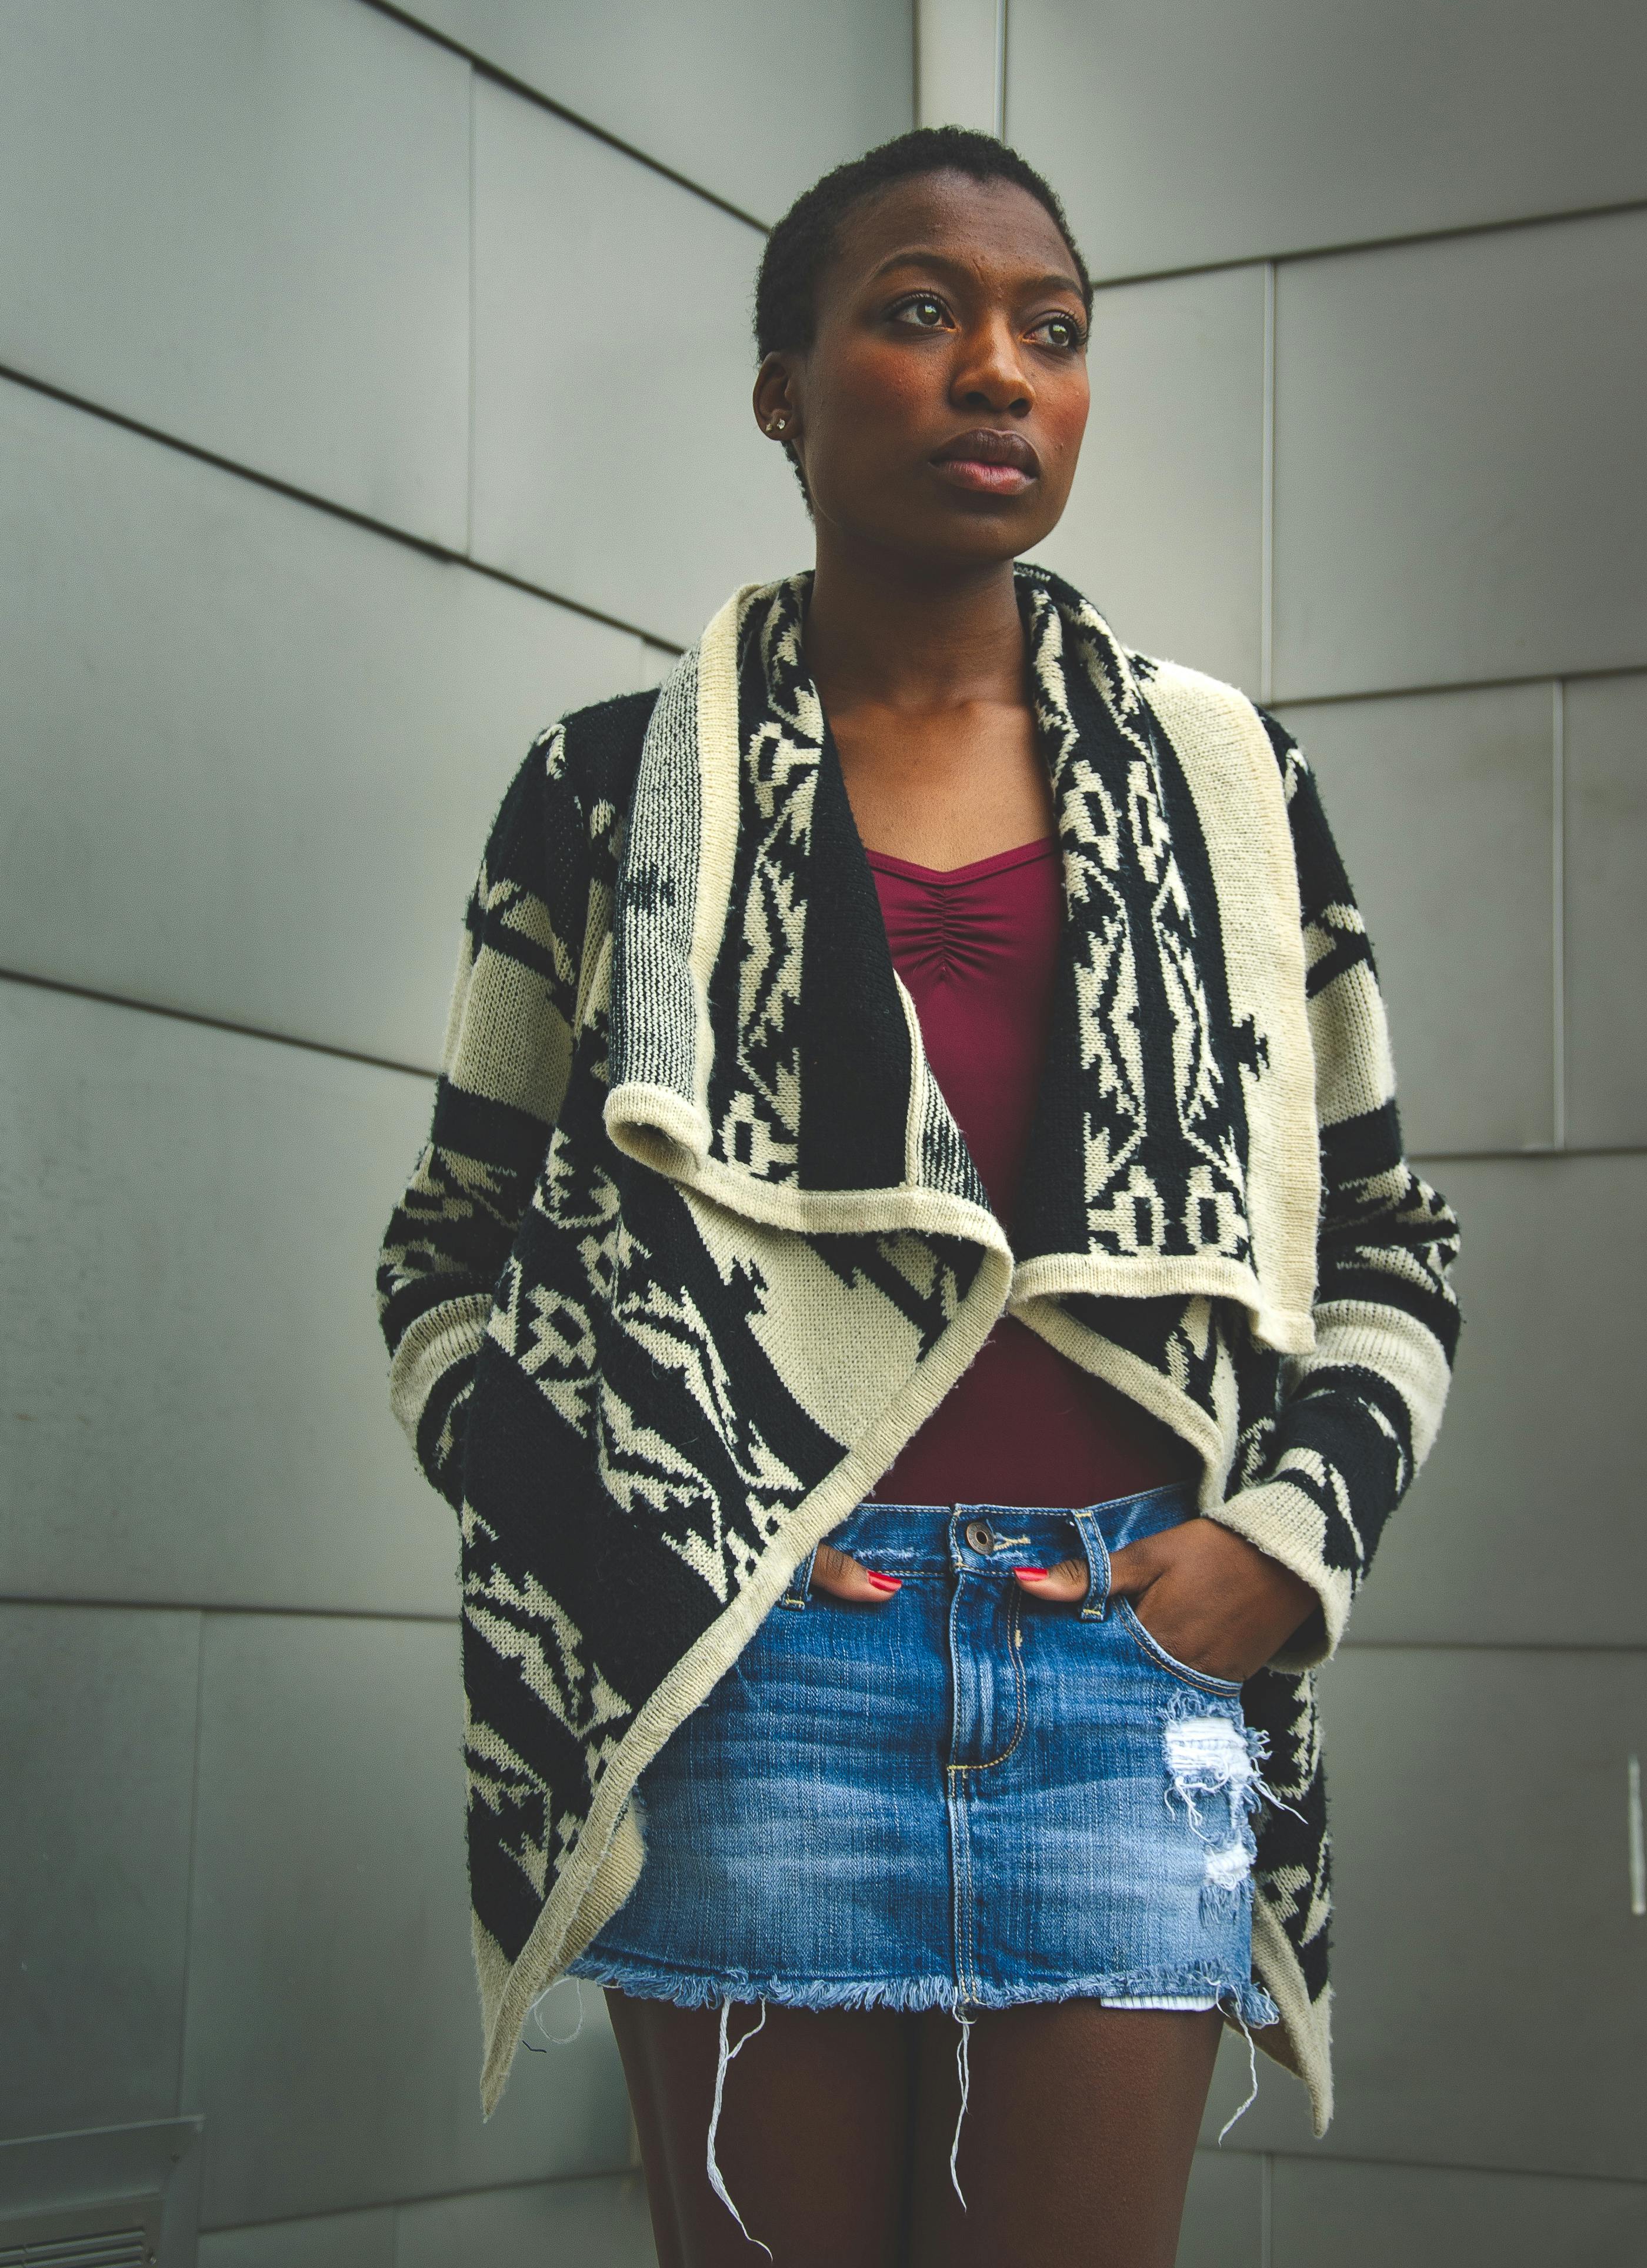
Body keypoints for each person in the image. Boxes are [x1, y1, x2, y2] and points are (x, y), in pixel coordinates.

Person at [377, 126, 1460, 2266]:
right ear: (780, 391)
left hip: (1127, 1673)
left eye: (1053, 333)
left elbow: (1390, 1252)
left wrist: (1286, 1547)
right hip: (751, 1675)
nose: (1000, 373)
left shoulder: (1232, 791)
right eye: (922, 313)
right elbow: (442, 1266)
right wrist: (637, 1548)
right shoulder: (608, 790)